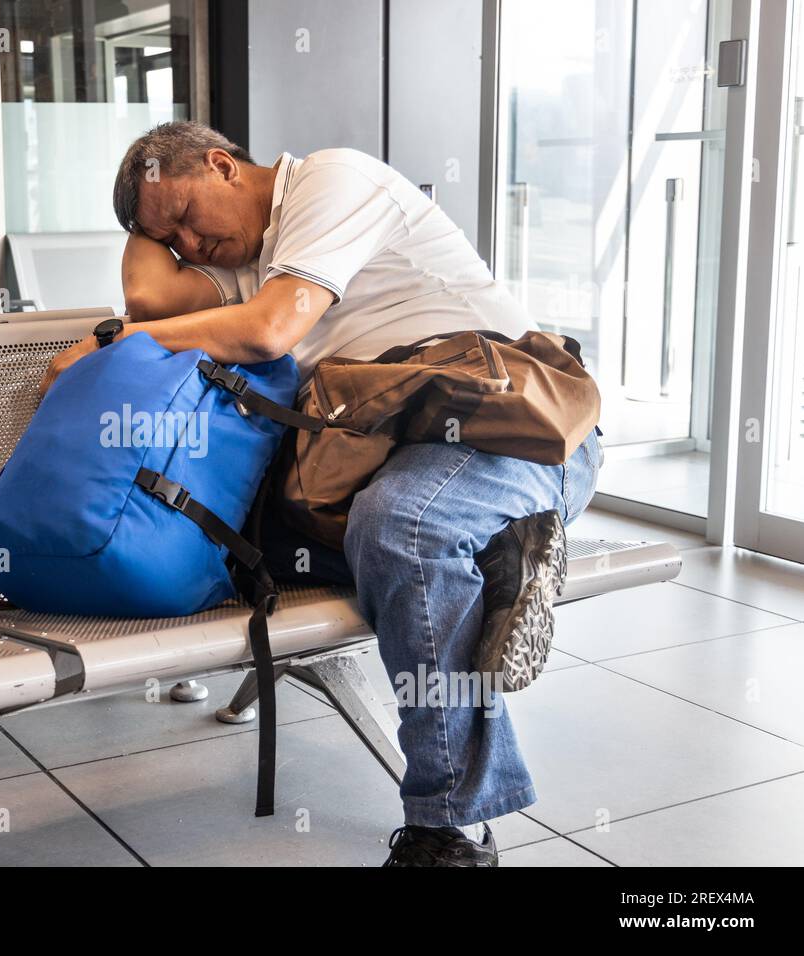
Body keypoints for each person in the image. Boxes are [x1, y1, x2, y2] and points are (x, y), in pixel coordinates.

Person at [43, 121, 603, 867]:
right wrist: (144, 212)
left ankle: (448, 827)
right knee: (301, 542)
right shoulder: (249, 269)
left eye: (187, 218)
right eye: (170, 238)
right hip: (397, 457)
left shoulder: (331, 182)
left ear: (222, 164)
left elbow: (273, 330)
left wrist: (117, 343)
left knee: (403, 528)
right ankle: (505, 553)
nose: (188, 246)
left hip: (512, 425)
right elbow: (147, 292)